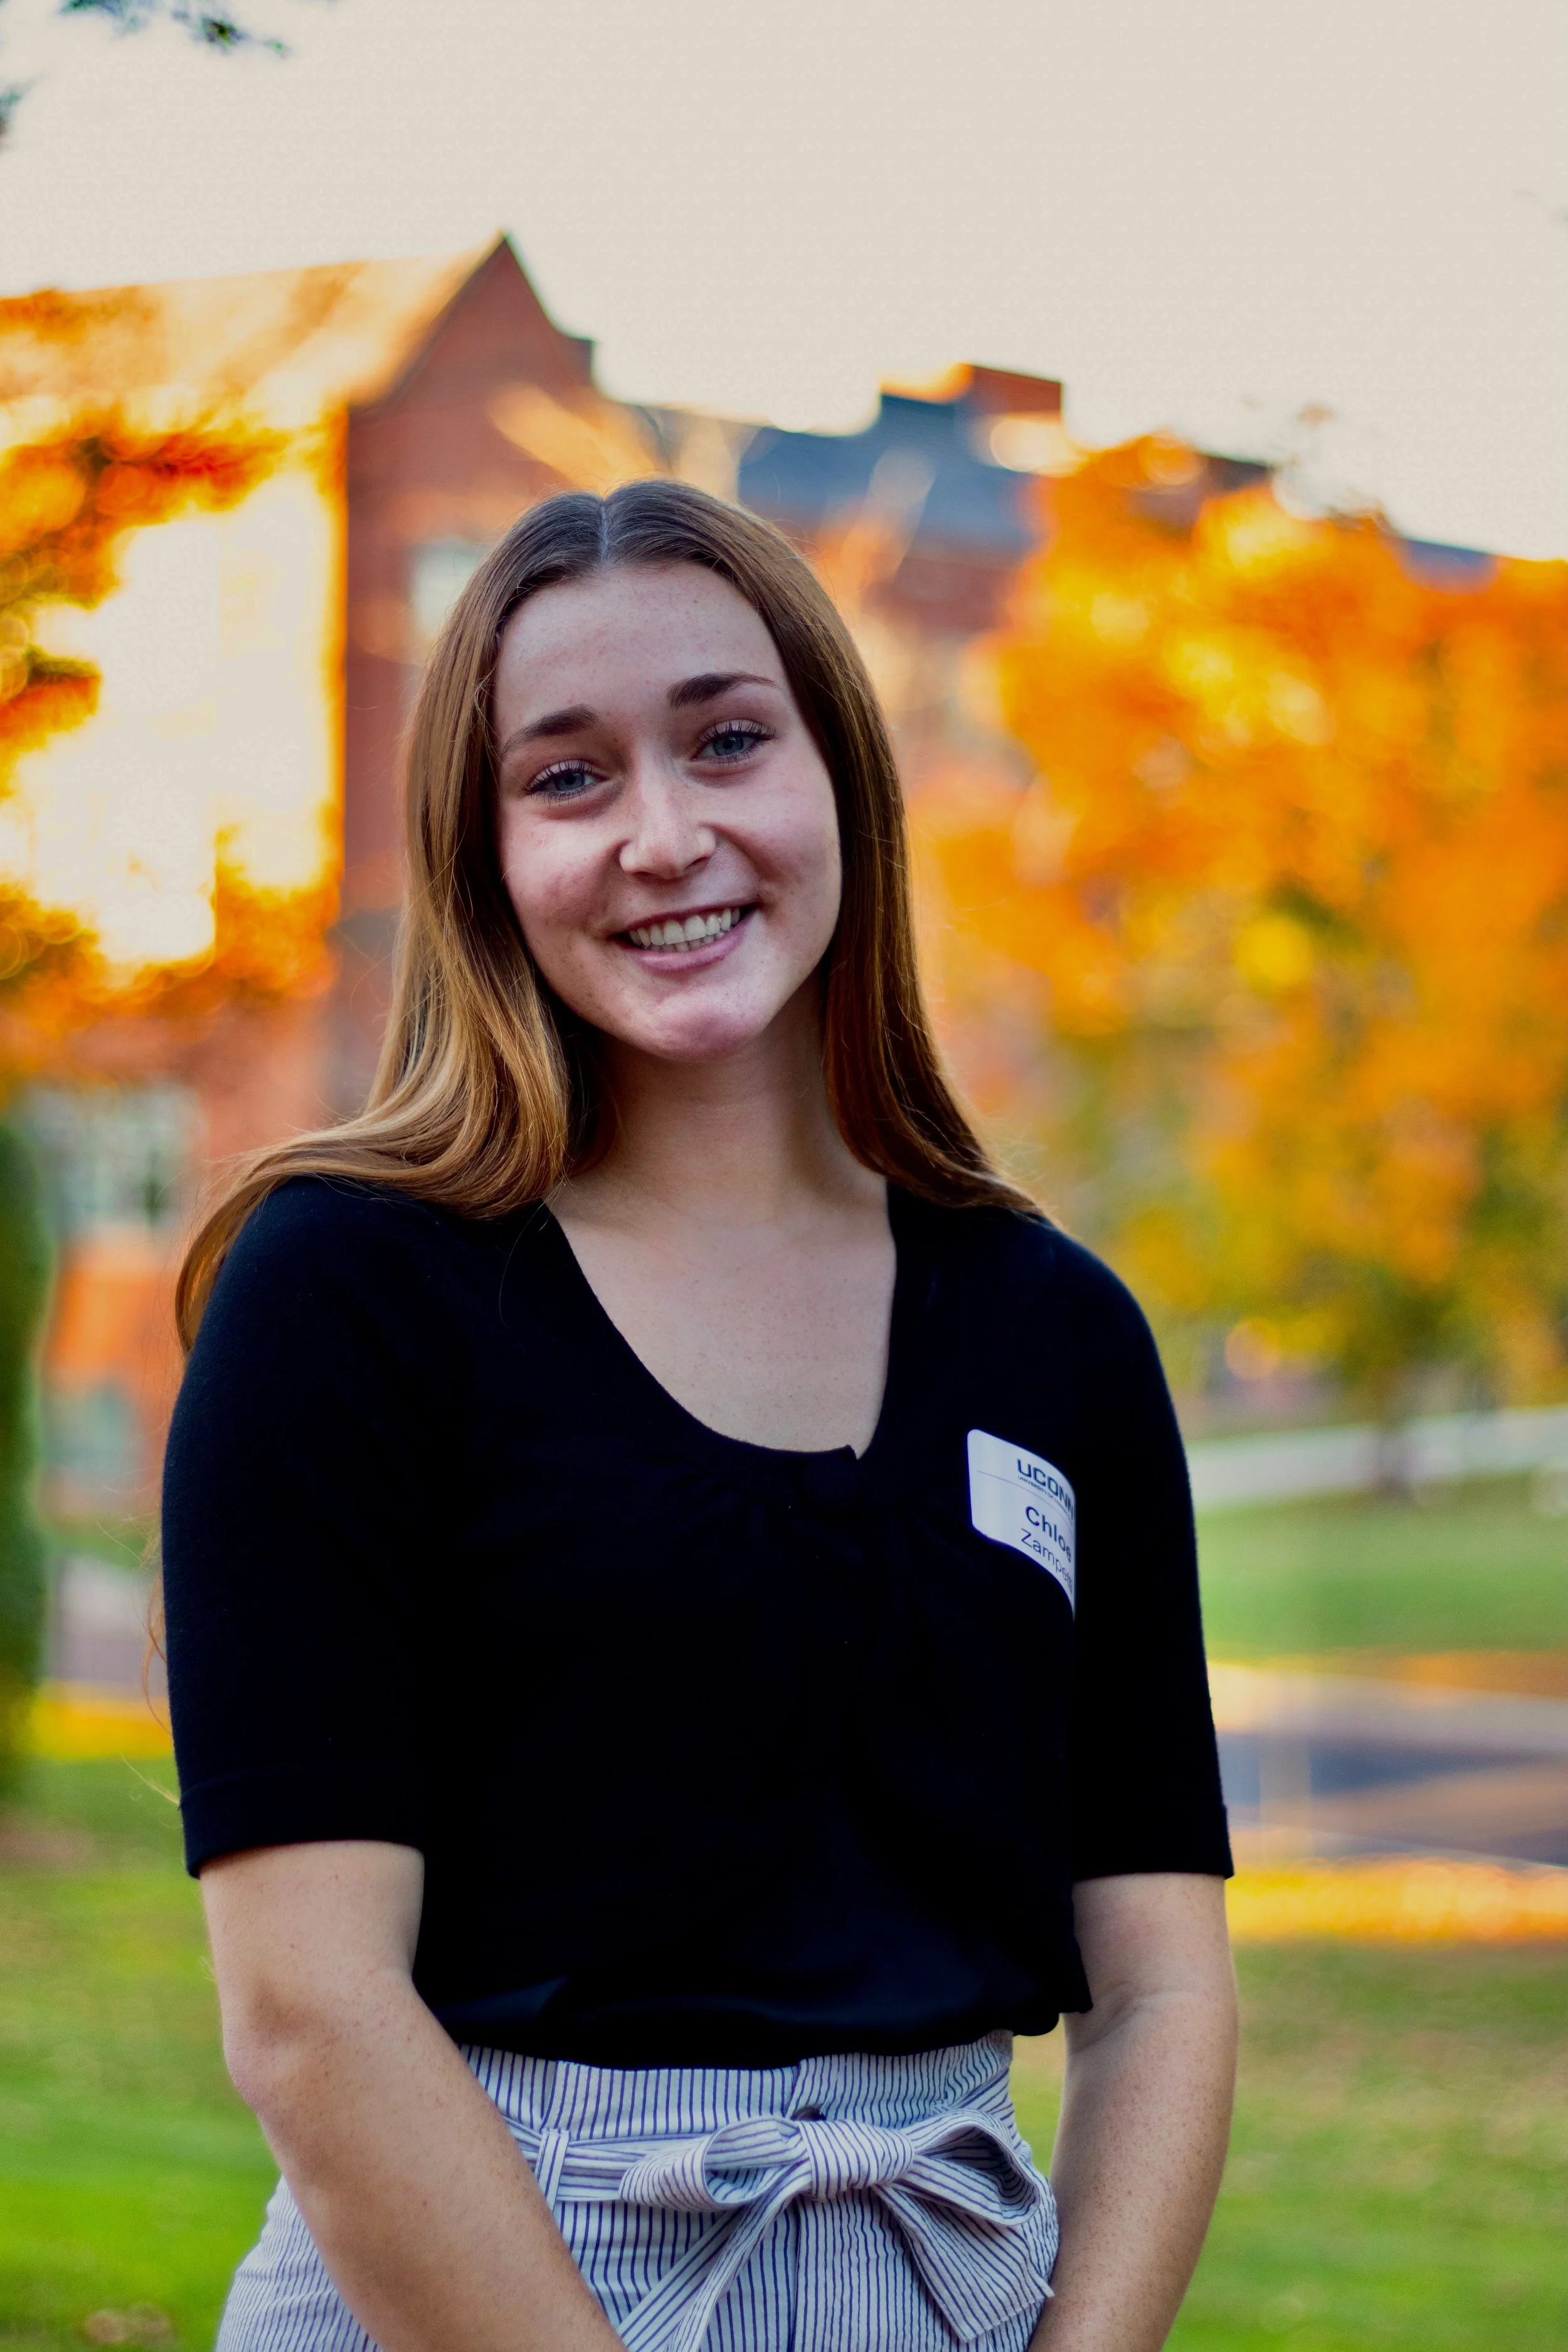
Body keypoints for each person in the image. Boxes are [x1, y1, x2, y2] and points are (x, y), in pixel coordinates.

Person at [162, 479, 1237, 2352]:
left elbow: (1161, 1988)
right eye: (566, 778)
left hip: (952, 2290)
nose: (665, 834)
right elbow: (312, 2010)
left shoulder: (1055, 1334)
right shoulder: (348, 1291)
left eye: (728, 739)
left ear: (839, 779)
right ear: (483, 851)